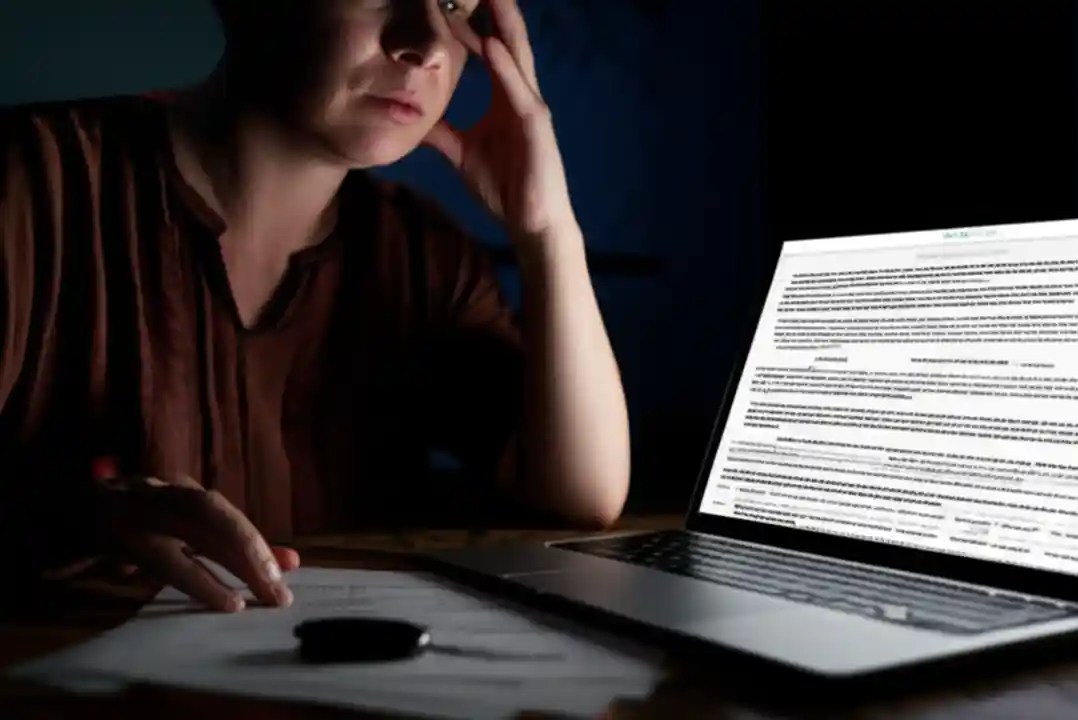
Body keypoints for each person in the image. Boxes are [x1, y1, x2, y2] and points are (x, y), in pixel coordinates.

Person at [0, 0, 630, 612]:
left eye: (454, 4)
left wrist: (548, 232)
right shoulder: (33, 182)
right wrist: (67, 518)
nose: (429, 42)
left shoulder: (418, 255)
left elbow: (581, 495)